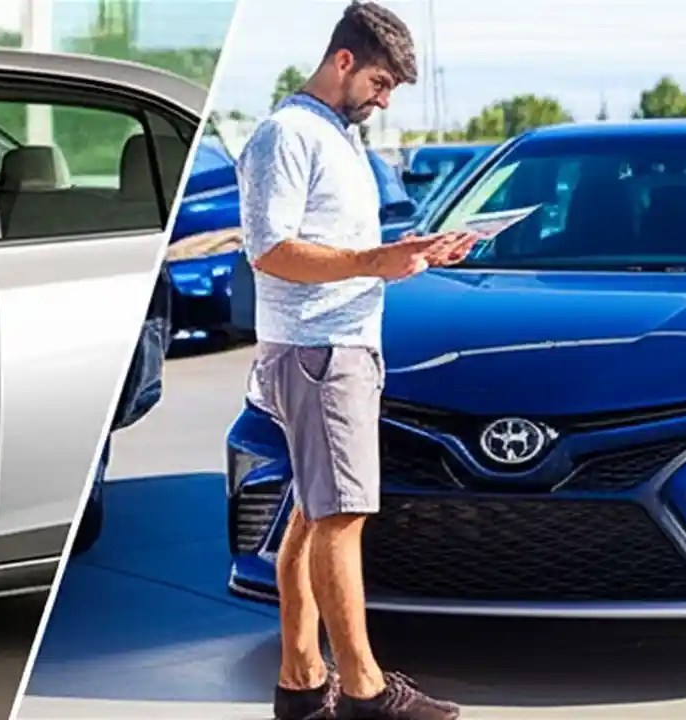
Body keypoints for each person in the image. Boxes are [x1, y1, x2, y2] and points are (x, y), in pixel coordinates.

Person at [235, 3, 478, 719]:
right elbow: (269, 250)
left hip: (338, 344)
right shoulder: (287, 135)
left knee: (313, 517)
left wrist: (416, 254)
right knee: (341, 516)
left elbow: (344, 250)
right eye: (379, 81)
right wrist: (377, 261)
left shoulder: (337, 137)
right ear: (343, 60)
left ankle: (301, 684)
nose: (385, 97)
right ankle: (367, 694)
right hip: (318, 349)